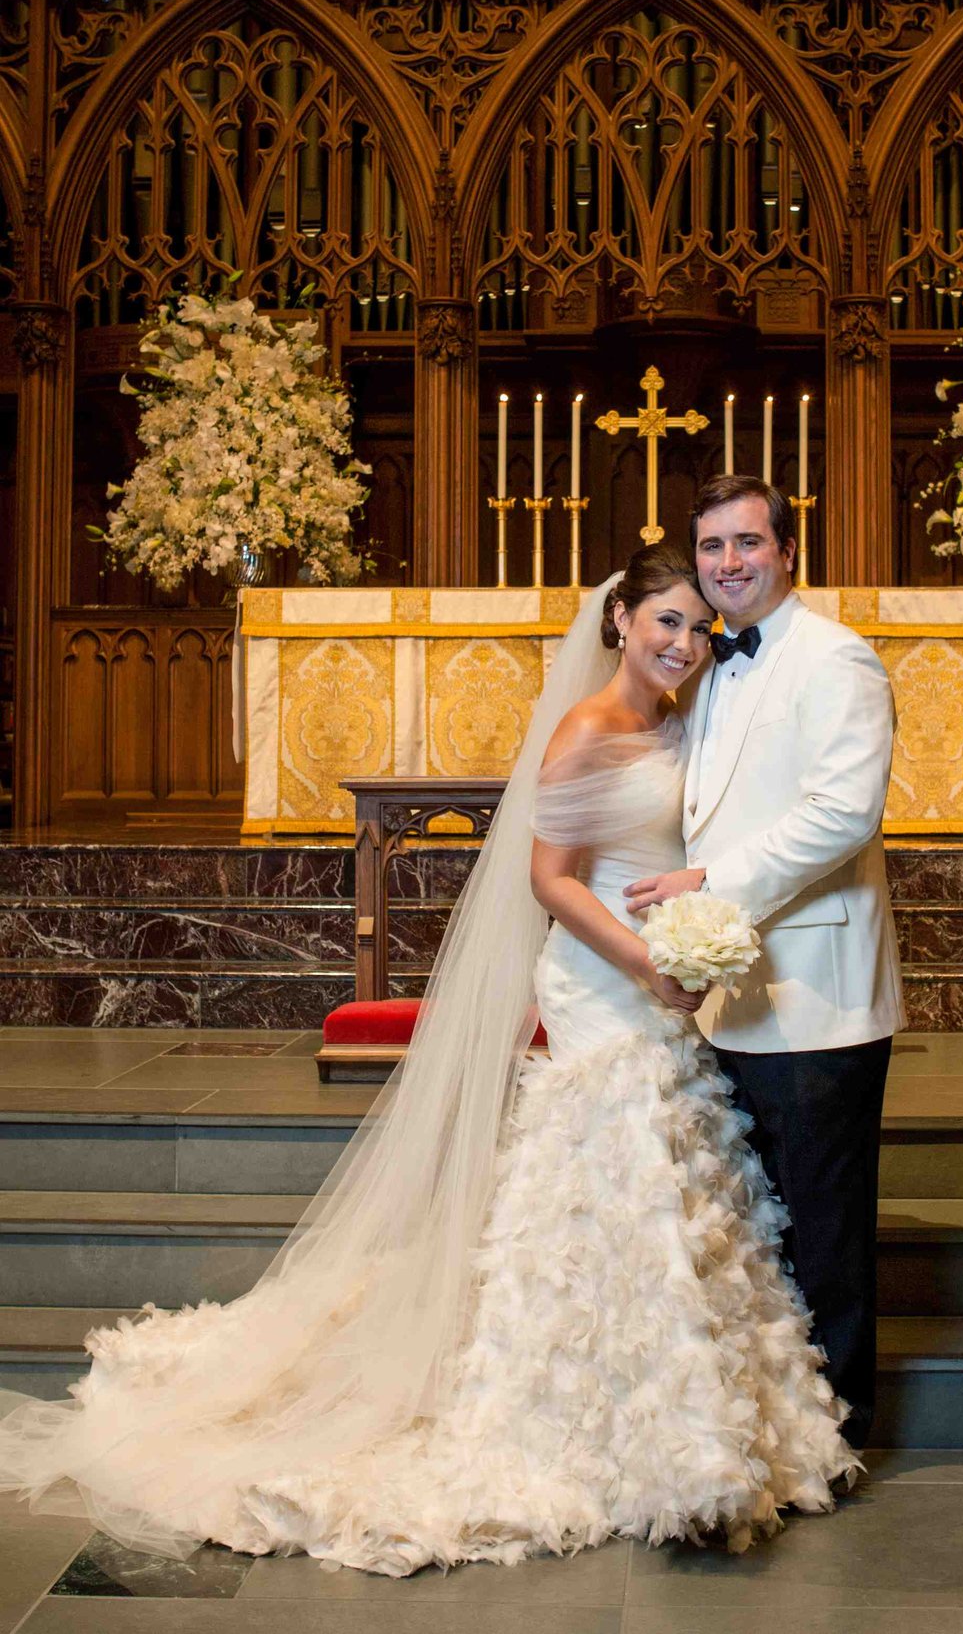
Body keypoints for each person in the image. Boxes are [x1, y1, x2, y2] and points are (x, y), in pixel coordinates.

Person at [0, 542, 852, 1577]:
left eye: (693, 624)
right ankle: (619, 1409)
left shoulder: (680, 718)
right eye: (662, 619)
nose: (682, 640)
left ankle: (670, 1401)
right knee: (618, 1162)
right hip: (598, 980)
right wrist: (647, 959)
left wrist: (690, 947)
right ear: (618, 620)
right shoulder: (584, 730)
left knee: (670, 1170)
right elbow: (549, 878)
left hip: (661, 983)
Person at [626, 479, 903, 1450]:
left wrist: (709, 884)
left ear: (788, 549)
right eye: (710, 547)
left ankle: (839, 1427)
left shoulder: (835, 657)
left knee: (822, 1224)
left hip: (813, 991)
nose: (727, 562)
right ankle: (774, 1421)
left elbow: (841, 813)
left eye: (746, 541)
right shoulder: (701, 666)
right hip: (727, 989)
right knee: (756, 1223)